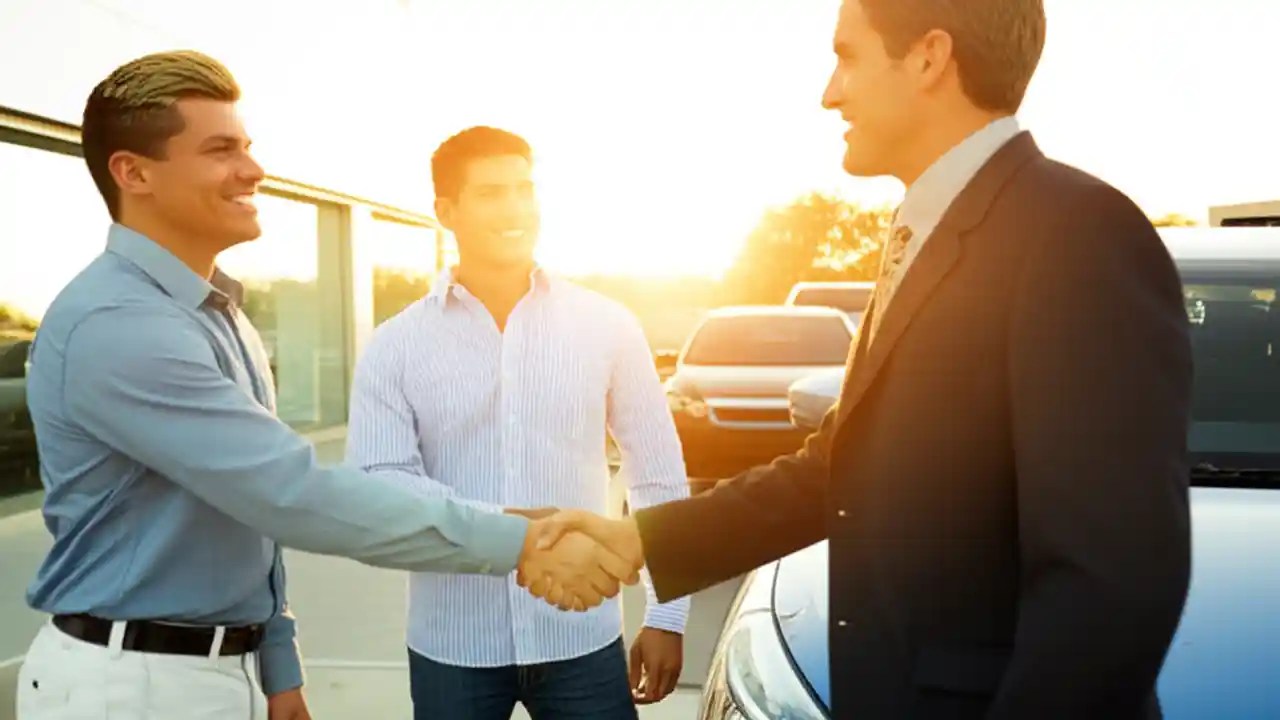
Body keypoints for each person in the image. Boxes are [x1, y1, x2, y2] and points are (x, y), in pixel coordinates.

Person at [537, 1, 1194, 718]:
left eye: (847, 56)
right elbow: (842, 471)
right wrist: (638, 539)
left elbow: (1109, 586)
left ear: (928, 57)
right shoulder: (924, 233)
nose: (830, 91)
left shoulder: (1080, 236)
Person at [16, 52, 637, 720]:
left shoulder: (214, 315)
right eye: (221, 149)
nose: (253, 169)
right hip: (136, 688)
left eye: (248, 147)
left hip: (216, 671)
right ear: (133, 172)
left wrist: (276, 666)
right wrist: (520, 542)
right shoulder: (121, 324)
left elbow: (247, 517)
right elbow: (291, 494)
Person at [344, 125, 691, 720]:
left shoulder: (606, 324)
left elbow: (656, 473)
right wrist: (514, 532)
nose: (515, 208)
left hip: (581, 638)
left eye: (525, 189)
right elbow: (378, 488)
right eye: (490, 193)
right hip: (452, 645)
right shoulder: (395, 345)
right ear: (444, 211)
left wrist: (665, 615)